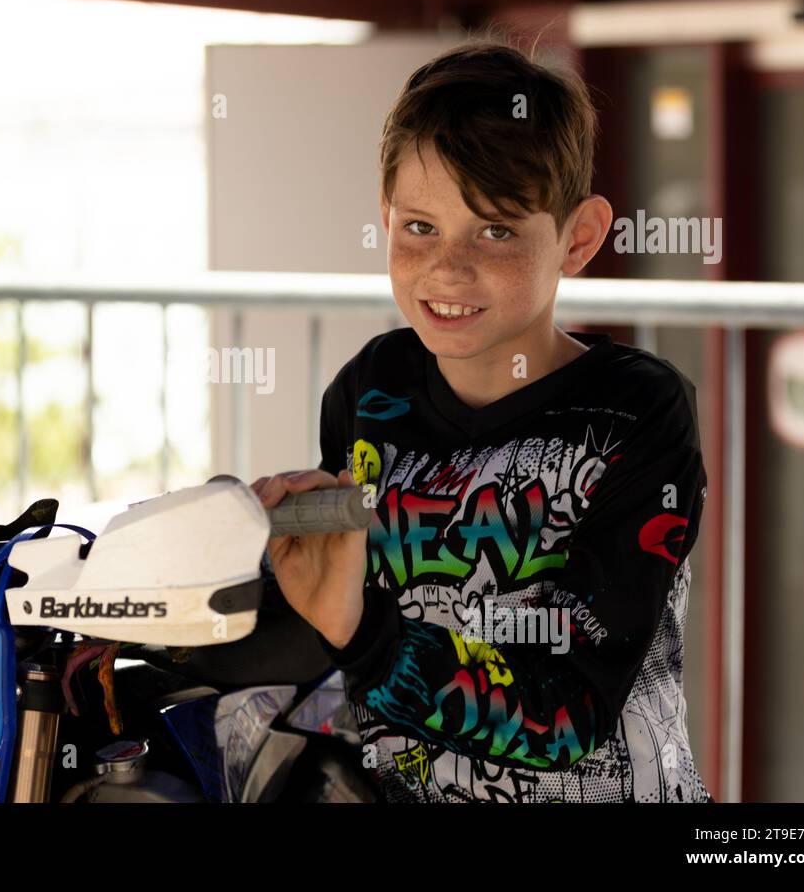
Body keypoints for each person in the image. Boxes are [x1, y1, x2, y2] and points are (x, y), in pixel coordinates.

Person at [251, 41, 711, 803]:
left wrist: (363, 637)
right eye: (420, 227)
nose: (446, 268)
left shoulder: (637, 411)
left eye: (495, 230)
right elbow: (346, 618)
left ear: (579, 237)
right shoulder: (370, 390)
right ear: (385, 217)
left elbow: (570, 712)